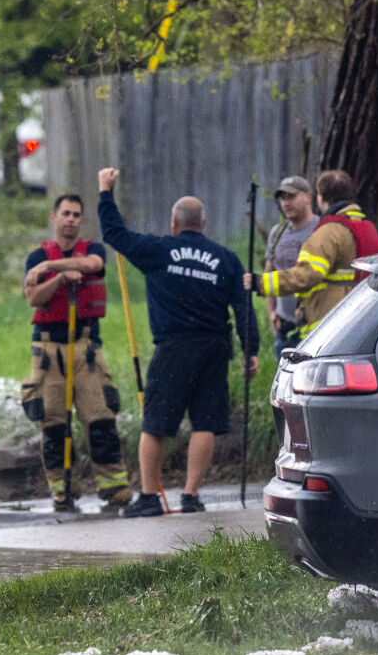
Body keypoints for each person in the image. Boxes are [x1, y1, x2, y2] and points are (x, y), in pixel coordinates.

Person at [97, 168, 260, 518]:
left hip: (173, 348)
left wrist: (106, 192)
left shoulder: (159, 250)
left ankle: (149, 497)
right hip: (215, 348)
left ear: (174, 222)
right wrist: (252, 350)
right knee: (205, 422)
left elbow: (115, 233)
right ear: (204, 224)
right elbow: (243, 307)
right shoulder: (226, 260)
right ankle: (191, 495)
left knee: (156, 423)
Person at [20, 193, 131, 513]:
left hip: (86, 349)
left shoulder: (92, 249)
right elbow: (33, 296)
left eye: (76, 215)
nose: (71, 219)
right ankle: (62, 492)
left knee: (100, 418)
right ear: (54, 217)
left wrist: (51, 265)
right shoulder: (34, 257)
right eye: (65, 213)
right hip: (48, 351)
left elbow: (93, 265)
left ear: (81, 221)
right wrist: (59, 278)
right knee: (54, 423)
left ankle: (114, 488)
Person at [245, 170, 378, 336]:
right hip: (359, 318)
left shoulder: (328, 232)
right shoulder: (367, 228)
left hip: (326, 324)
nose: (286, 202)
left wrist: (261, 283)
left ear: (319, 197)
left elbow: (308, 275)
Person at [262, 176, 319, 357]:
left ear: (308, 197)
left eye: (291, 197)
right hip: (284, 327)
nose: (286, 203)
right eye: (283, 198)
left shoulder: (321, 230)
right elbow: (269, 274)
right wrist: (272, 312)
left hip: (314, 326)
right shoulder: (276, 233)